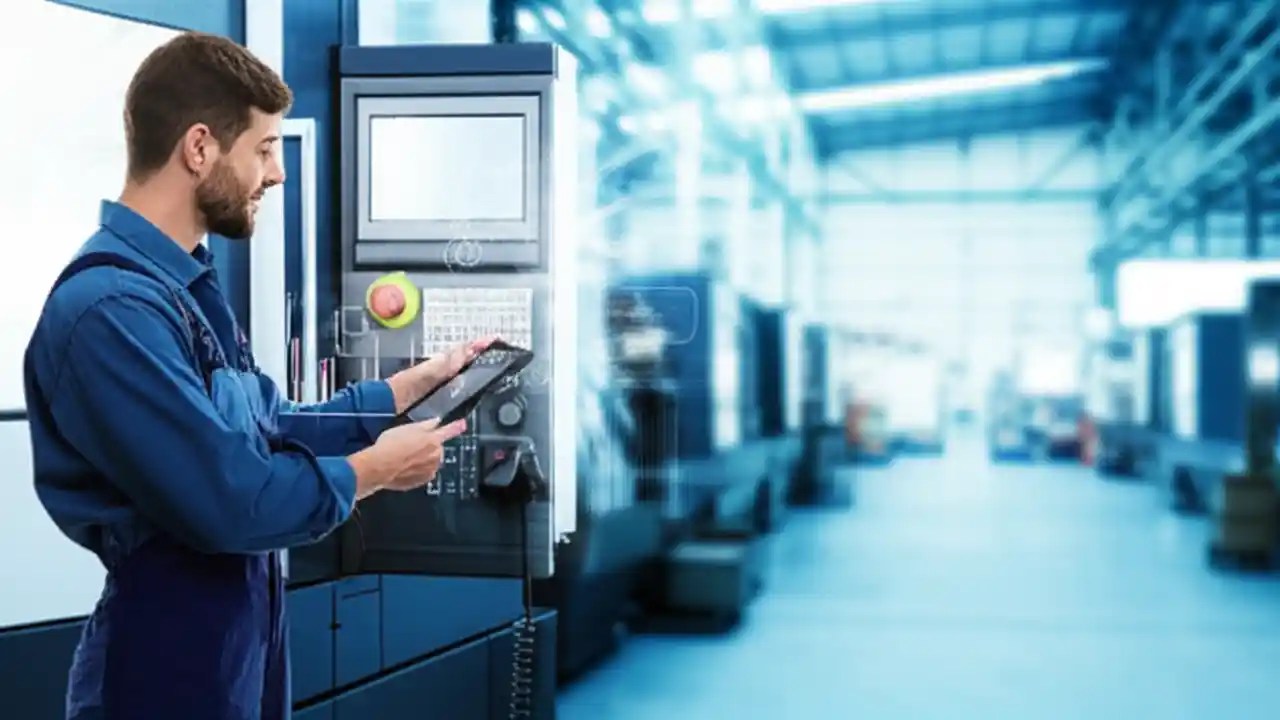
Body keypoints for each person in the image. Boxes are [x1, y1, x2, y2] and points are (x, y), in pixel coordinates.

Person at [23, 32, 488, 720]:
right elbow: (230, 499)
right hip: (162, 668)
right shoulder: (110, 311)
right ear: (200, 147)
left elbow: (269, 426)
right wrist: (373, 471)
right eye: (265, 150)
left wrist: (405, 389)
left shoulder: (185, 292)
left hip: (233, 651)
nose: (279, 174)